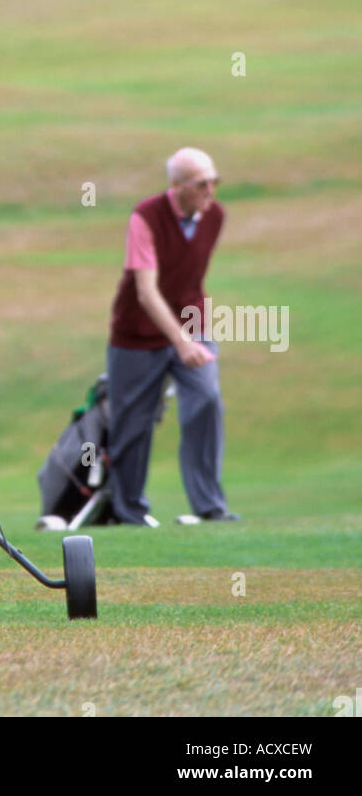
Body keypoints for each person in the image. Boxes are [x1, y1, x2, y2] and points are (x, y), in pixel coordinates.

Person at [106, 148, 239, 525]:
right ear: (177, 185)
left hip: (193, 323)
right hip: (136, 331)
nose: (210, 190)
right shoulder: (145, 217)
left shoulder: (216, 215)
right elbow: (146, 292)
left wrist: (189, 335)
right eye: (201, 184)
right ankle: (128, 513)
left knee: (207, 400)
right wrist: (180, 341)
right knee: (133, 422)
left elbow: (188, 276)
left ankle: (210, 507)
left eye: (214, 181)